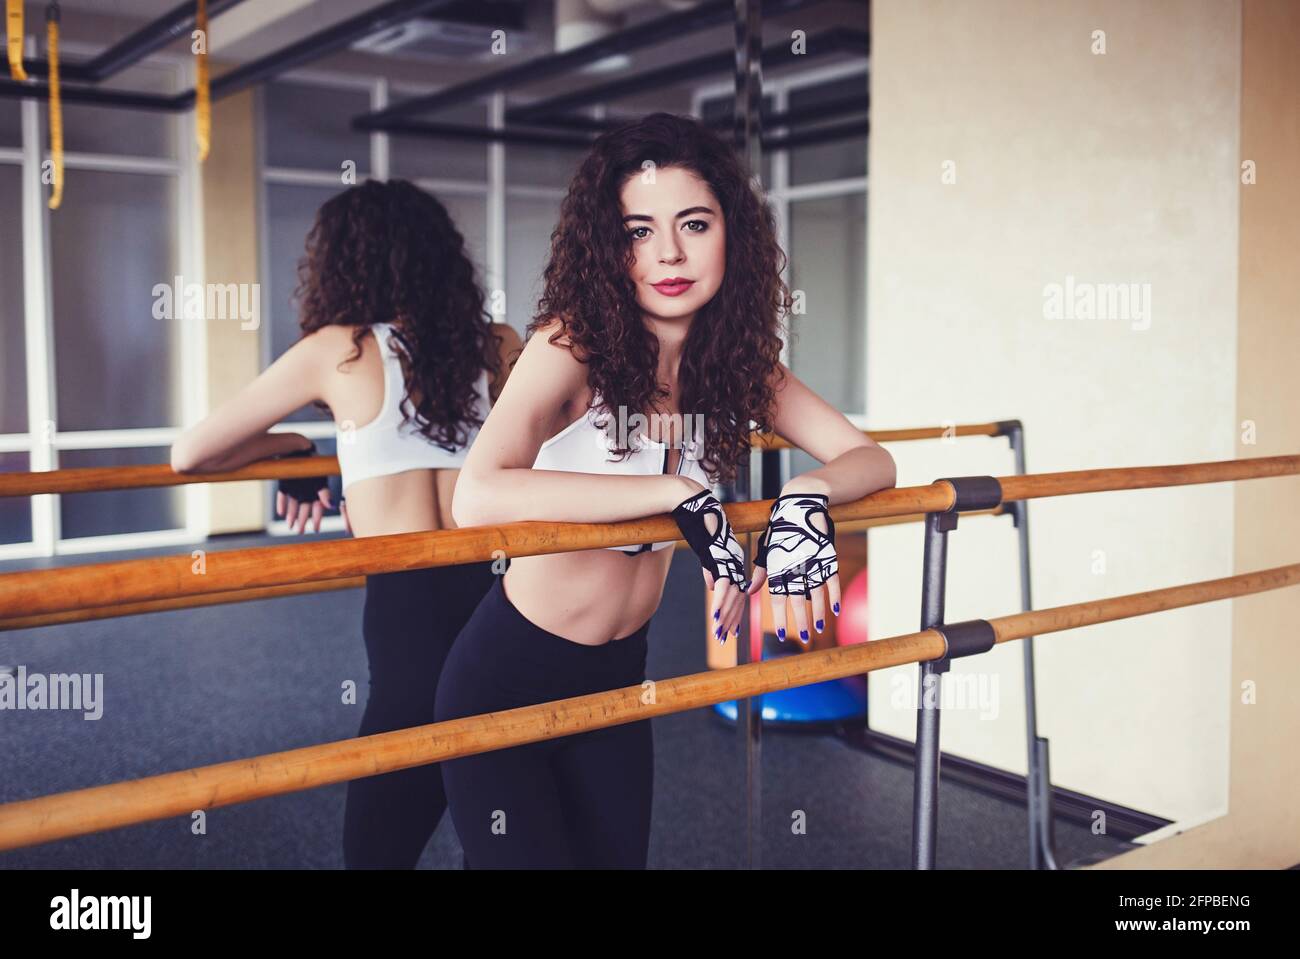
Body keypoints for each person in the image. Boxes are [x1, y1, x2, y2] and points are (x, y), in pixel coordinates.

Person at [434, 113, 897, 868]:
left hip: (620, 678)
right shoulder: (570, 346)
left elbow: (870, 458)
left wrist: (805, 496)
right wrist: (673, 492)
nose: (669, 253)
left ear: (732, 235)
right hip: (508, 674)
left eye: (695, 224)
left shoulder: (738, 363)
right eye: (638, 231)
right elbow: (476, 495)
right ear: (606, 247)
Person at [170, 179, 521, 869]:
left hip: (407, 618)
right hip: (498, 603)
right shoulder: (497, 345)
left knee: (376, 849)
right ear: (443, 258)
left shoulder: (339, 350)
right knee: (497, 832)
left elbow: (191, 454)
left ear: (344, 262)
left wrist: (296, 449)